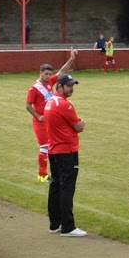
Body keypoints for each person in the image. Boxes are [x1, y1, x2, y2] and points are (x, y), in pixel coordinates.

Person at [43, 74, 87, 236]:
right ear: (60, 86)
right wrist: (81, 123)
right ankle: (68, 226)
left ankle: (55, 223)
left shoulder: (50, 102)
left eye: (72, 85)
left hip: (54, 150)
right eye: (68, 86)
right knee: (67, 187)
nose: (71, 88)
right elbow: (78, 126)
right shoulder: (64, 105)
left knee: (55, 186)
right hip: (66, 151)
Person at [26, 52, 77, 182]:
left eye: (50, 74)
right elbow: (28, 105)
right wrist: (38, 117)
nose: (48, 76)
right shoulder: (34, 89)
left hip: (50, 120)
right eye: (46, 74)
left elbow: (62, 72)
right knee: (44, 147)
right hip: (40, 122)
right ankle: (42, 175)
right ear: (41, 73)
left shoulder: (50, 82)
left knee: (51, 146)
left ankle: (47, 174)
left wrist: (71, 59)